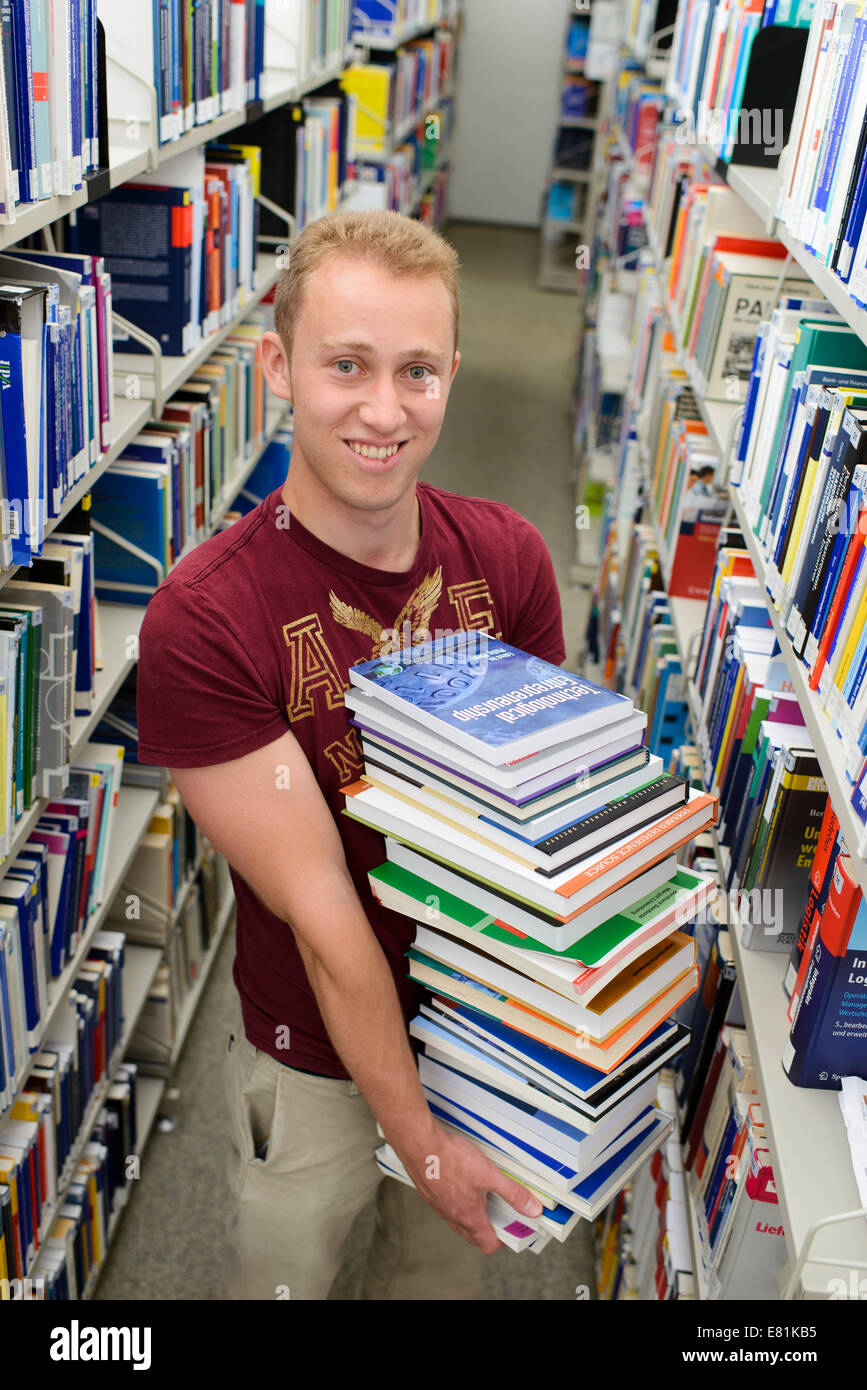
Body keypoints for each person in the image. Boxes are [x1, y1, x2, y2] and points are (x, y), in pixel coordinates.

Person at [136, 209, 567, 1300]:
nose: (384, 410)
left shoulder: (509, 560)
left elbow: (544, 812)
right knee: (287, 1274)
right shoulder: (205, 620)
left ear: (454, 373)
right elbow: (326, 924)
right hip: (313, 1054)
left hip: (480, 1036)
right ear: (279, 366)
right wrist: (419, 1141)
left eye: (418, 370)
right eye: (347, 366)